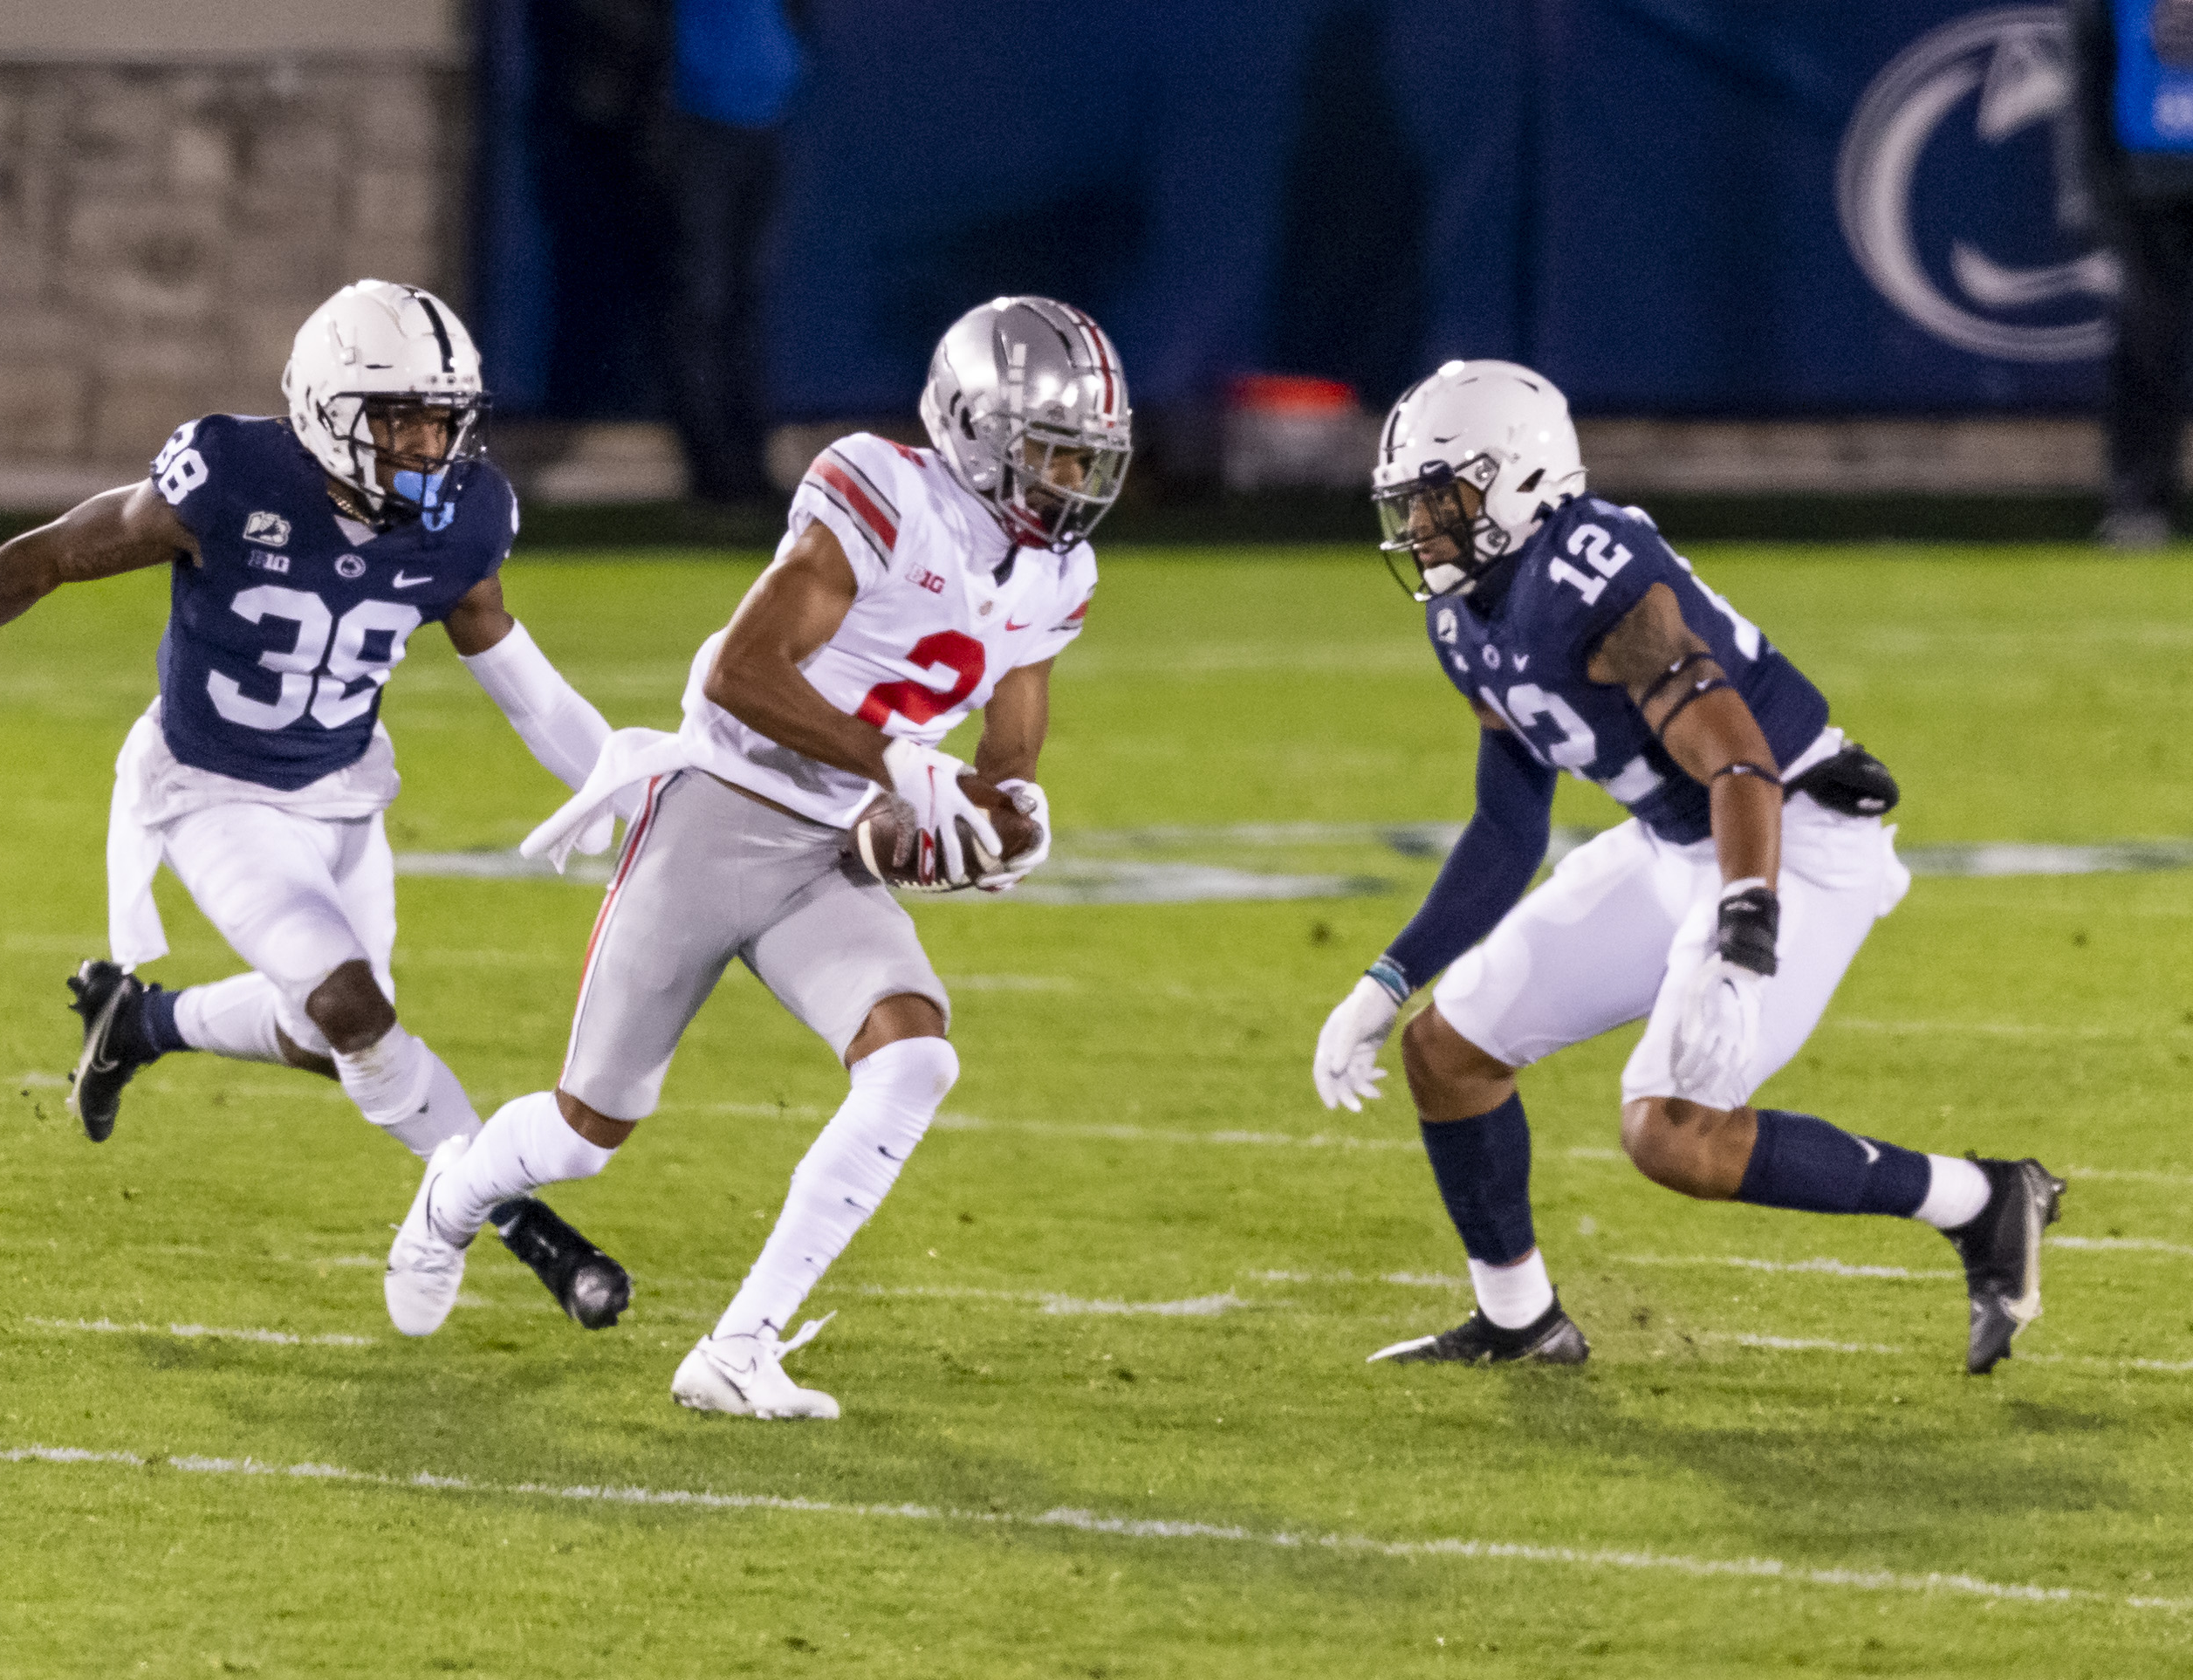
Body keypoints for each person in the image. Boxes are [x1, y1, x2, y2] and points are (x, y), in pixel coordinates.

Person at [0, 280, 632, 1307]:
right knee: (354, 1012)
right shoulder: (233, 477)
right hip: (211, 791)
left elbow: (521, 679)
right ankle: (515, 1220)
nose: (428, 447)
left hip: (342, 793)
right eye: (401, 420)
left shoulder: (467, 519)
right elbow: (61, 551)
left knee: (314, 1034)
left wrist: (627, 789)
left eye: (442, 421)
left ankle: (140, 1022)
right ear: (329, 411)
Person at [381, 295, 1127, 1419]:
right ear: (975, 430)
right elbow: (743, 673)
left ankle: (738, 1348)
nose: (1071, 483)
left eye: (1087, 459)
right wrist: (900, 763)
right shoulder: (884, 492)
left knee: (915, 1058)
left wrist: (1012, 799)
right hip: (717, 809)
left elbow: (1014, 716)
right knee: (588, 1131)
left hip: (832, 842)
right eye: (1052, 453)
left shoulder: (1055, 575)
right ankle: (452, 1200)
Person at [1311, 360, 2064, 1375]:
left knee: (1673, 1134)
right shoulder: (1463, 616)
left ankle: (1980, 1198)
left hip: (1789, 831)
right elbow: (1506, 824)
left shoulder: (1589, 577)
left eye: (1442, 497)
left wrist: (1745, 930)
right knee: (1445, 1053)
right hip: (1679, 835)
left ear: (1521, 479)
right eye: (1410, 502)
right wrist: (1386, 977)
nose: (1422, 526)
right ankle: (1521, 1322)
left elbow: (1739, 758)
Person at [657, 0, 804, 508]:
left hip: (764, 126)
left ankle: (750, 466)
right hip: (697, 126)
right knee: (703, 301)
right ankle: (712, 472)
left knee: (746, 302)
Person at [2066, 0, 2193, 548]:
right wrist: (2098, 202)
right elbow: (2089, 96)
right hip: (2145, 194)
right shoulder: (2109, 8)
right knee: (2146, 349)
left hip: (2146, 186)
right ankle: (2138, 505)